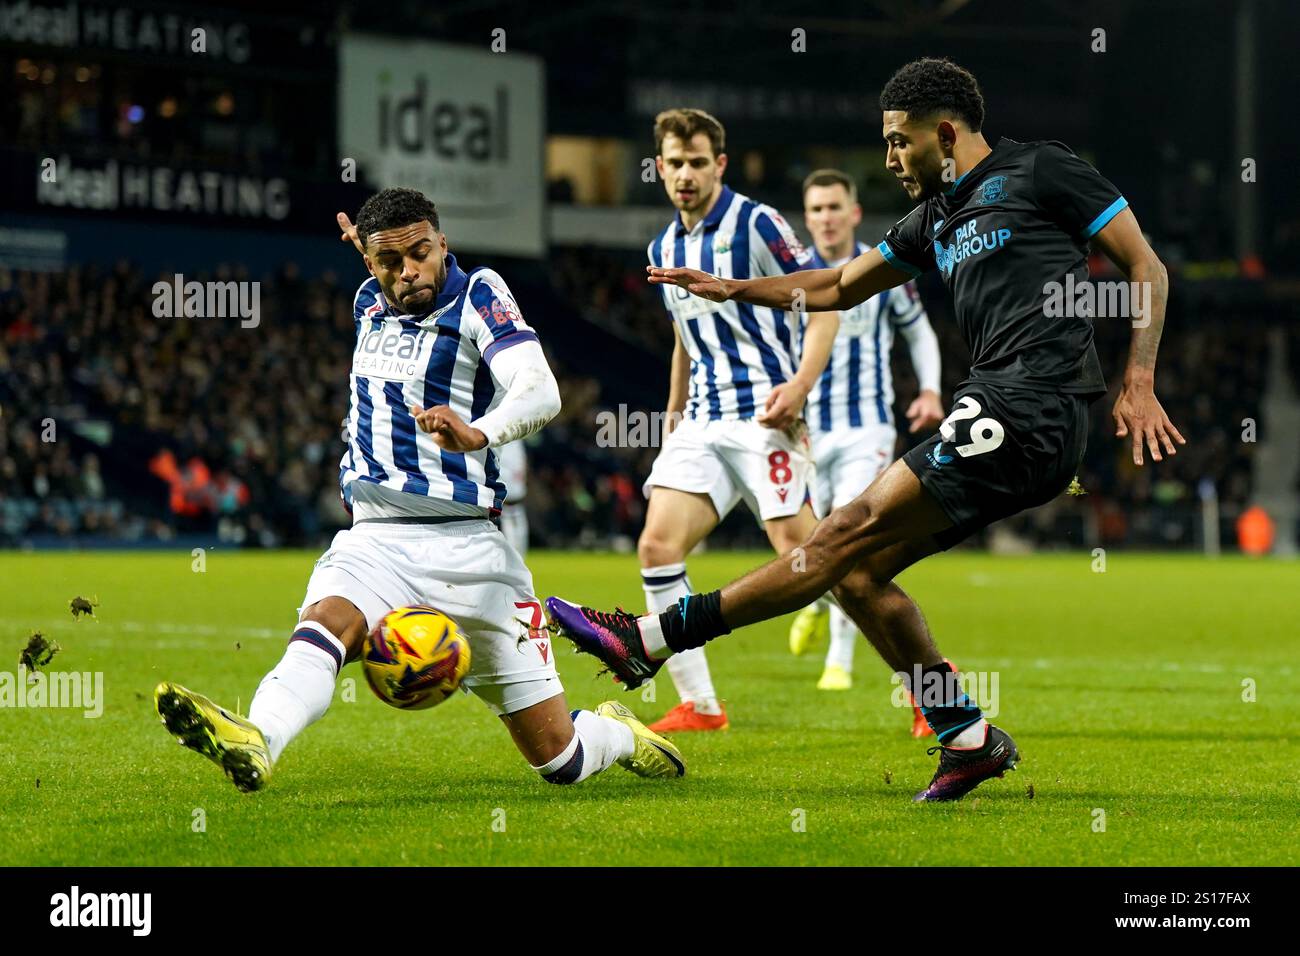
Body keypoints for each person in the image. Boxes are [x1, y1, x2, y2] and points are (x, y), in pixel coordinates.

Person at [547, 58, 1184, 802]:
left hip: (1035, 403)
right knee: (854, 574)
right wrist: (736, 289)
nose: (889, 158)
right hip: (1000, 411)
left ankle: (650, 638)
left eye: (898, 141)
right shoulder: (934, 217)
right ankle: (967, 739)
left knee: (841, 531)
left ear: (944, 132)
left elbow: (1146, 263)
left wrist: (1138, 379)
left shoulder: (1042, 171)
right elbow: (840, 284)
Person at [153, 187, 684, 791]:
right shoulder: (368, 301)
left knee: (558, 760)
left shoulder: (479, 294)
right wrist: (376, 258)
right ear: (370, 264)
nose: (409, 272)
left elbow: (541, 391)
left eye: (421, 253)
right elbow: (387, 273)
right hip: (375, 537)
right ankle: (257, 738)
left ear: (442, 243)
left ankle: (615, 731)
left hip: (472, 553)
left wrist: (478, 433)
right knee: (326, 626)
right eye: (390, 263)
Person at [635, 108, 838, 733]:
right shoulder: (662, 247)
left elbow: (826, 297)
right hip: (702, 420)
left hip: (762, 418)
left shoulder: (757, 222)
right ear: (660, 168)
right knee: (656, 546)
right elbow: (682, 339)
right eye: (675, 163)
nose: (686, 174)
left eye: (698, 162)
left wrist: (800, 386)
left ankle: (928, 682)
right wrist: (673, 419)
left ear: (719, 164)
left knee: (808, 557)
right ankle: (700, 703)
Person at [789, 168, 944, 710]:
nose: (826, 218)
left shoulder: (884, 269)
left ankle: (839, 662)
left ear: (853, 213)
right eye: (816, 210)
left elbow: (918, 330)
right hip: (807, 432)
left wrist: (929, 388)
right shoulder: (795, 276)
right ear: (806, 219)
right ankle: (812, 605)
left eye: (835, 207)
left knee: (847, 534)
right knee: (815, 541)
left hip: (866, 428)